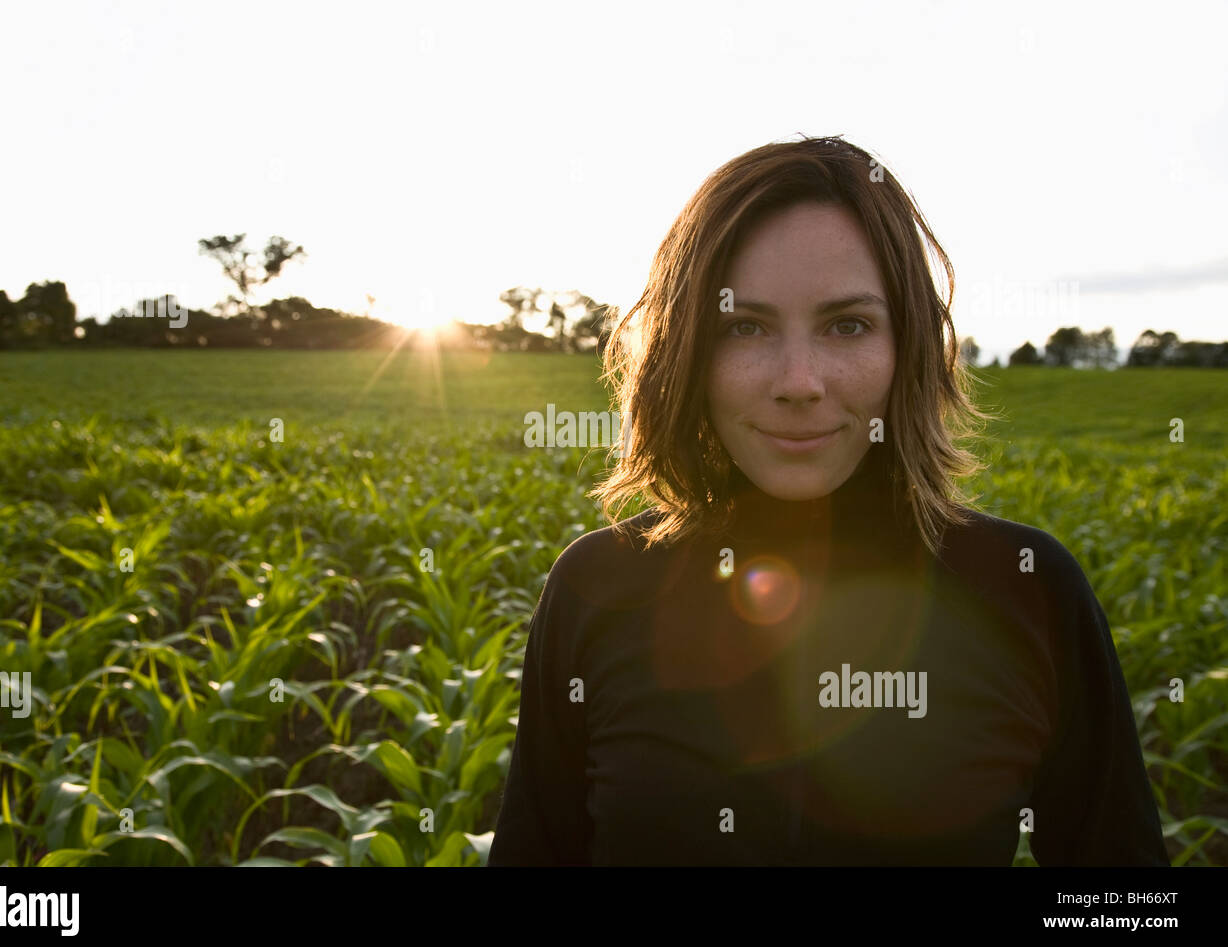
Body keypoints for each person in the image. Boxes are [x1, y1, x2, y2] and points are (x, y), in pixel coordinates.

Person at [486, 135, 1169, 866]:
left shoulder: (1027, 587)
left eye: (847, 325)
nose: (799, 381)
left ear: (907, 345)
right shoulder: (598, 586)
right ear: (687, 348)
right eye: (743, 326)